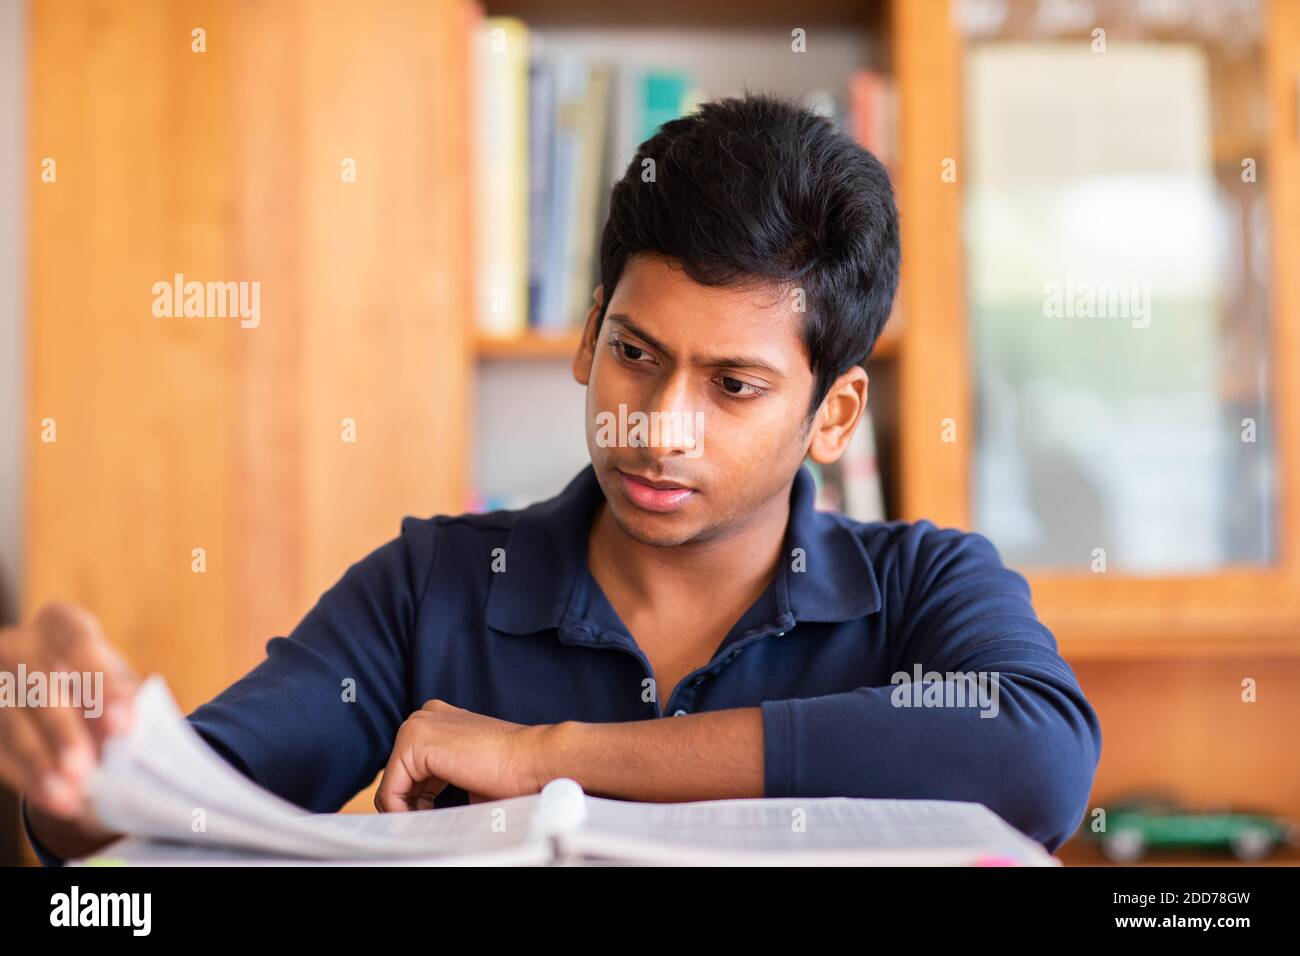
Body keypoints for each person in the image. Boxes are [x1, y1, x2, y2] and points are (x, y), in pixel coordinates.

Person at [2, 94, 1100, 865]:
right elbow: (186, 815)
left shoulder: (921, 586)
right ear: (587, 337)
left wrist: (550, 757)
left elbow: (1037, 759)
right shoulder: (431, 584)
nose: (658, 426)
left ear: (835, 413)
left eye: (733, 384)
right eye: (634, 351)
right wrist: (87, 761)